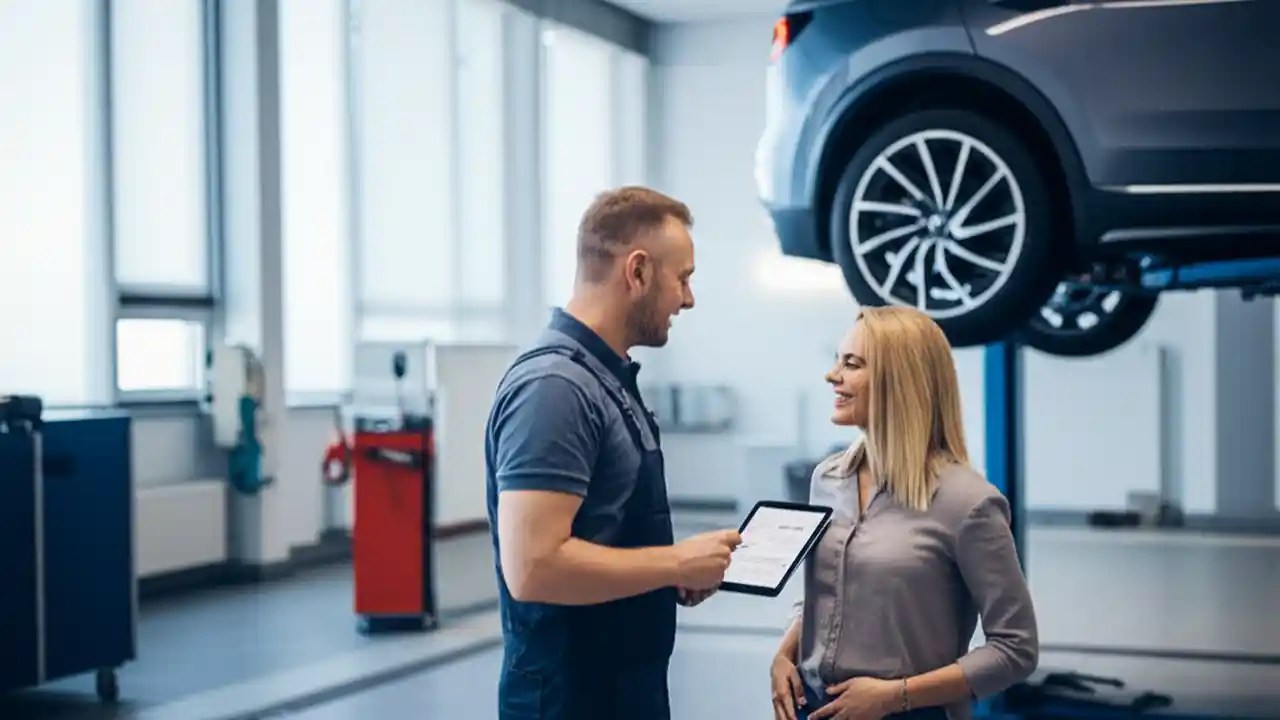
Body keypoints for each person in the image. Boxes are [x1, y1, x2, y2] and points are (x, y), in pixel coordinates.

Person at [485, 186, 742, 720]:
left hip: (624, 691)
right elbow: (533, 567)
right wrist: (675, 560)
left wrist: (668, 577)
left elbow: (601, 535)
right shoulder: (555, 388)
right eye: (683, 278)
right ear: (638, 271)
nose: (688, 299)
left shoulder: (606, 379)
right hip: (569, 700)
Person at [770, 306, 1038, 720]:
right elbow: (824, 596)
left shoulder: (968, 503)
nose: (832, 375)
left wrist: (895, 696)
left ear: (899, 380)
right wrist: (785, 654)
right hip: (815, 707)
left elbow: (1016, 648)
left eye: (851, 364)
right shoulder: (828, 478)